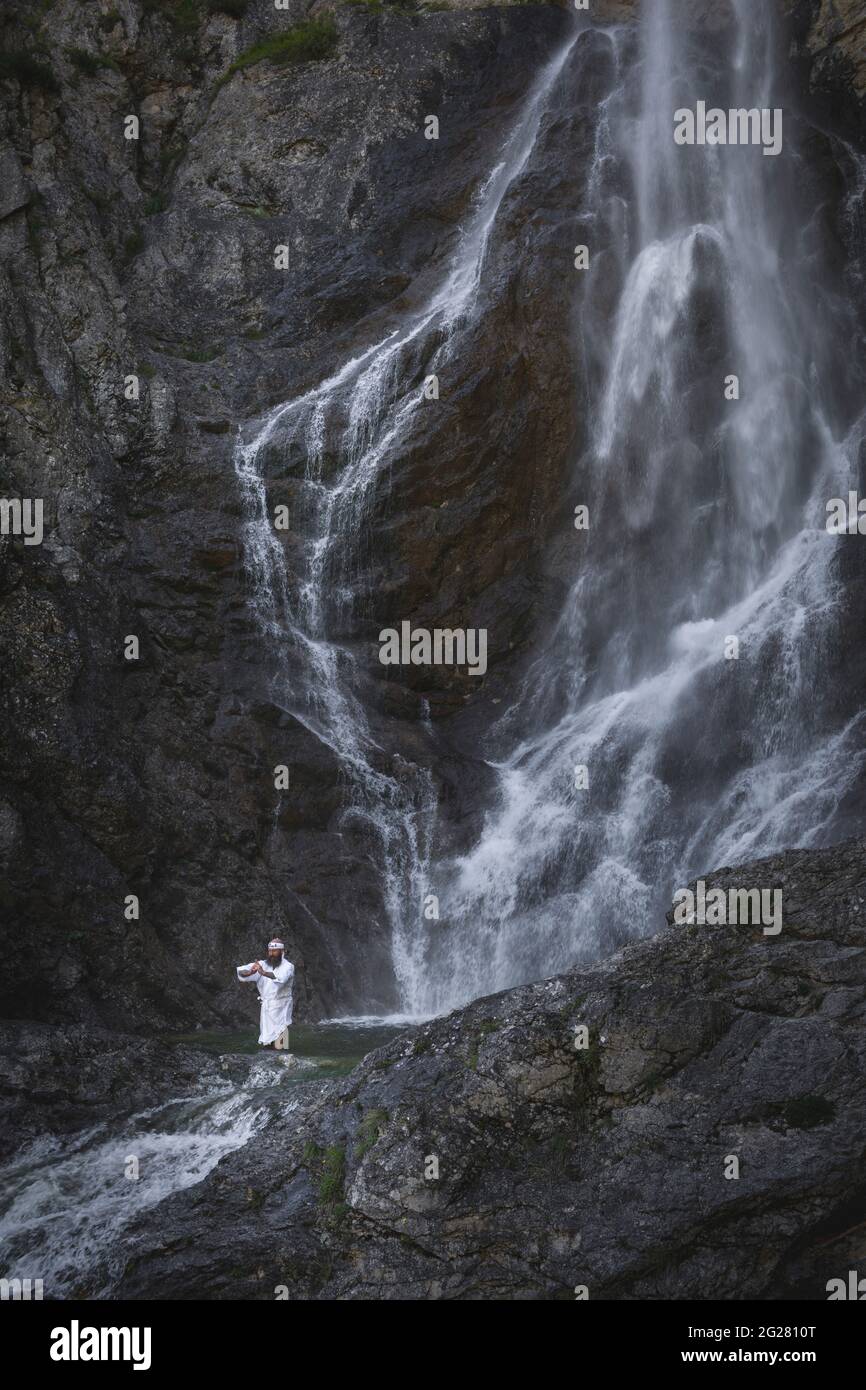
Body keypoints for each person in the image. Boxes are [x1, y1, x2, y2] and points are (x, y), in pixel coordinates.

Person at [236, 939, 295, 1049]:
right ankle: (269, 1059)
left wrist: (263, 973)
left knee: (281, 1038)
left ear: (282, 952)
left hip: (282, 1005)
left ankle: (283, 1058)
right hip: (267, 1006)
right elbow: (240, 972)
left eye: (275, 951)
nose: (272, 954)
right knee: (266, 1039)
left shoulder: (288, 966)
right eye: (270, 951)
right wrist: (249, 972)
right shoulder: (263, 964)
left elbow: (281, 979)